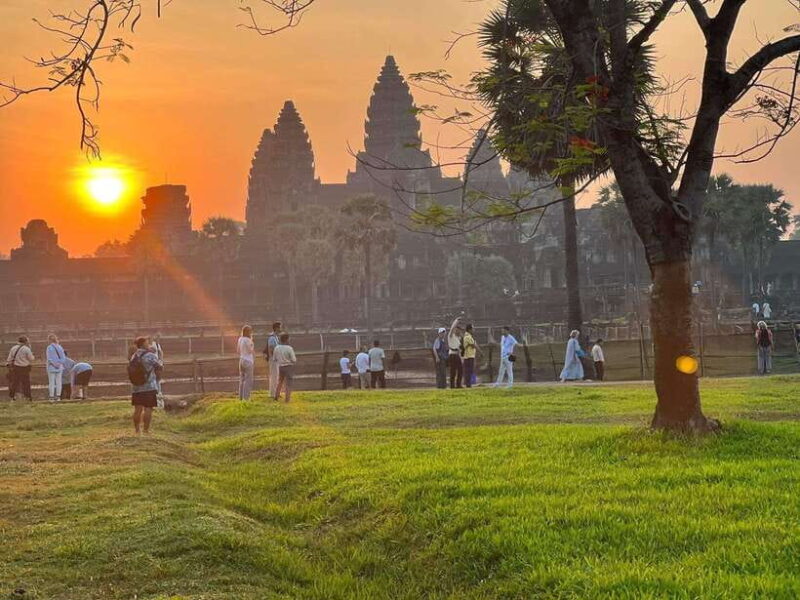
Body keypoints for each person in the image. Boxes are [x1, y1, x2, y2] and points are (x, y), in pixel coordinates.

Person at [130, 336, 163, 434]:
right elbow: (159, 366)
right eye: (147, 343)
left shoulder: (134, 356)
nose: (149, 344)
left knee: (137, 409)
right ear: (143, 344)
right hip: (149, 386)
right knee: (148, 408)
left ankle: (137, 430)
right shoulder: (150, 355)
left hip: (136, 387)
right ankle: (146, 430)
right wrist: (160, 357)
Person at [6, 336, 34, 401]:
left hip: (16, 368)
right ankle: (28, 397)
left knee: (15, 383)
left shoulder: (13, 348)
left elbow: (10, 358)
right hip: (24, 368)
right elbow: (31, 358)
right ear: (25, 341)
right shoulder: (27, 349)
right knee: (26, 383)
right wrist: (30, 350)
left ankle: (12, 396)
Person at [273, 332, 297, 402]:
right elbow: (294, 360)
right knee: (288, 383)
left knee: (280, 382)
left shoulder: (277, 348)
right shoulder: (289, 348)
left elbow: (274, 358)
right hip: (288, 366)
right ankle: (287, 399)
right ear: (287, 339)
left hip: (280, 367)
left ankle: (276, 396)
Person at [264, 321, 282, 400]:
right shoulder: (272, 338)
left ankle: (275, 392)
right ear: (276, 328)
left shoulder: (276, 337)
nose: (281, 329)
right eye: (280, 327)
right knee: (274, 376)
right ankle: (272, 393)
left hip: (276, 359)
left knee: (276, 376)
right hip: (273, 359)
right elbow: (270, 348)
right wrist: (273, 358)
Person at [45, 333, 66, 403]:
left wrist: (54, 364)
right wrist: (58, 363)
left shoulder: (49, 347)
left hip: (51, 367)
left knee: (51, 383)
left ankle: (51, 397)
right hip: (59, 367)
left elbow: (49, 358)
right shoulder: (60, 347)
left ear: (49, 340)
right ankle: (58, 397)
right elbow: (63, 358)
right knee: (59, 382)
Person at [237, 325, 255, 401]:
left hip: (241, 360)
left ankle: (240, 397)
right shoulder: (248, 340)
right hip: (248, 360)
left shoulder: (240, 339)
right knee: (248, 380)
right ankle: (246, 398)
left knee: (242, 379)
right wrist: (252, 344)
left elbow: (238, 350)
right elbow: (250, 350)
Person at [447, 317, 464, 389]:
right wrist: (456, 321)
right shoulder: (451, 336)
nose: (458, 331)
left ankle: (458, 384)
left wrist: (461, 357)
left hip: (457, 355)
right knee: (453, 371)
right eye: (457, 329)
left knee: (460, 370)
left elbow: (460, 349)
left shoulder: (458, 339)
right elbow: (452, 328)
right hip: (452, 354)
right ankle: (452, 385)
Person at [462, 324, 480, 388]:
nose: (473, 330)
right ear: (469, 329)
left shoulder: (470, 336)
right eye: (473, 329)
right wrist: (480, 351)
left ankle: (468, 383)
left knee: (469, 370)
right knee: (469, 370)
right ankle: (468, 384)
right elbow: (473, 345)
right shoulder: (467, 337)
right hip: (468, 356)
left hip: (470, 355)